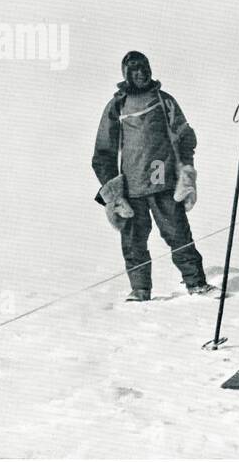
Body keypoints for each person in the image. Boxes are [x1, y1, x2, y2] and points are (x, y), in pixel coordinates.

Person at [91, 51, 213, 301]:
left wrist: (185, 171)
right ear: (126, 74)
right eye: (134, 69)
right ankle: (140, 289)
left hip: (163, 181)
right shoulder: (117, 106)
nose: (141, 72)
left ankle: (196, 283)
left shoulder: (163, 100)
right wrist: (113, 191)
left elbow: (185, 136)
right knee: (133, 241)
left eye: (144, 67)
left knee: (178, 234)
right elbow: (103, 151)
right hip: (131, 188)